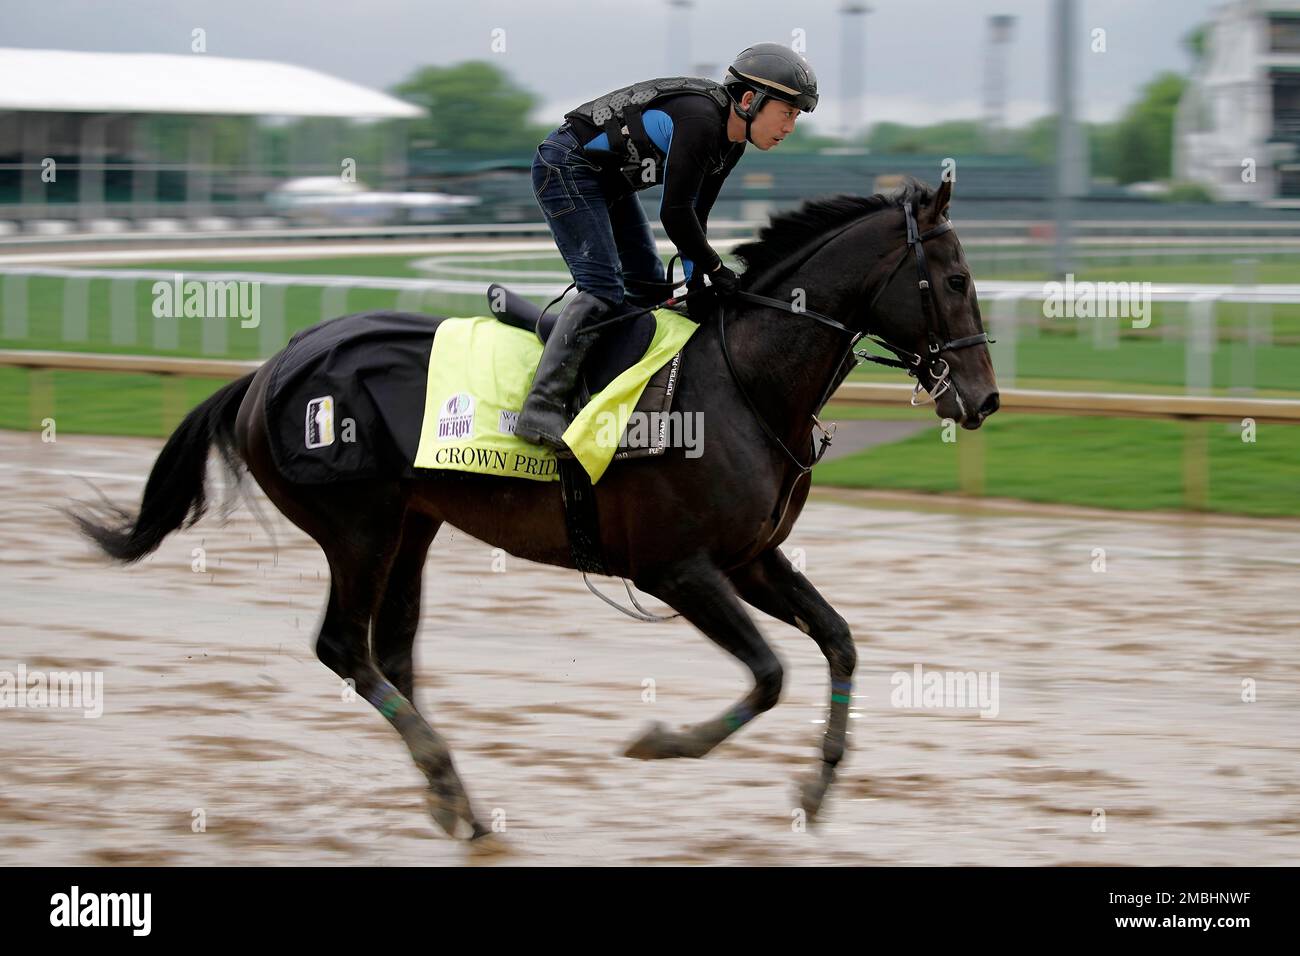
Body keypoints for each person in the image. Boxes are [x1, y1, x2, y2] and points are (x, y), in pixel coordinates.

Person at [514, 42, 820, 454]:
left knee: (650, 291)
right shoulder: (701, 122)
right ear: (750, 100)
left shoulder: (731, 144)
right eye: (787, 113)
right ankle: (541, 406)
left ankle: (606, 384)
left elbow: (696, 215)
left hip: (609, 184)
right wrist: (716, 269)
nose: (789, 127)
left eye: (796, 117)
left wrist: (697, 289)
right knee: (602, 288)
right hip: (567, 167)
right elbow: (674, 215)